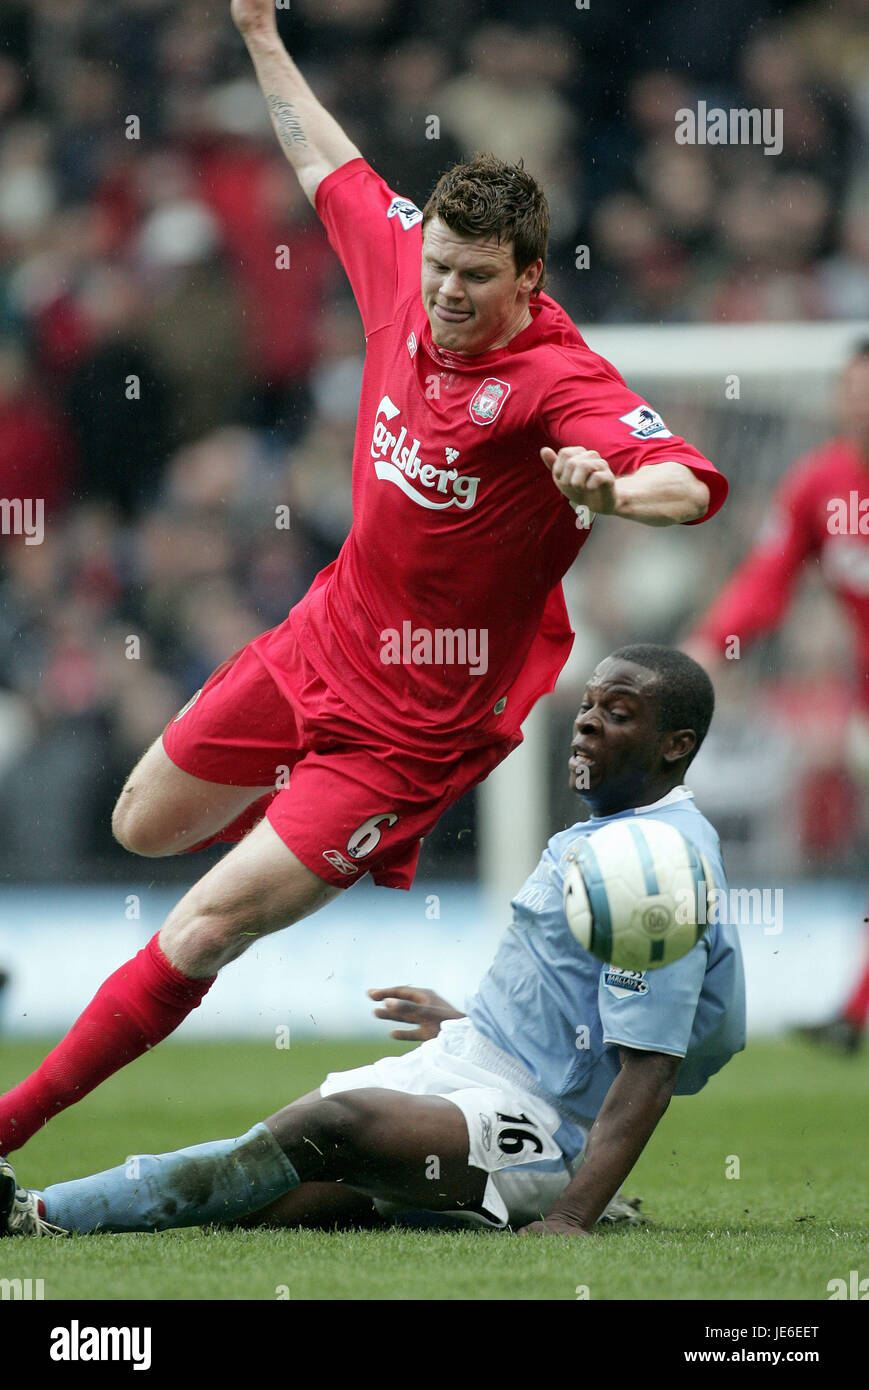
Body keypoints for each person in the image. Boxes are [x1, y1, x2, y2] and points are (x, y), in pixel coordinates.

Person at [0, 3, 726, 1157]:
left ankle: (8, 1128)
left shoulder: (554, 379)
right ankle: (299, 823)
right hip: (318, 641)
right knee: (140, 825)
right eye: (437, 264)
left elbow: (684, 480)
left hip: (410, 730)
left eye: (476, 277)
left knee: (201, 928)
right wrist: (254, 32)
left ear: (530, 277)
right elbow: (322, 154)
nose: (444, 291)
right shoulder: (401, 255)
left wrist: (608, 489)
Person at [1, 647, 745, 1239]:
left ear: (676, 745)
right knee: (265, 1195)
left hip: (541, 1126)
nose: (584, 725)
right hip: (468, 1067)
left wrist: (569, 1217)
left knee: (334, 1125)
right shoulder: (616, 832)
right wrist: (476, 1027)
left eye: (617, 715)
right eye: (586, 707)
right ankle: (48, 1214)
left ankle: (36, 1212)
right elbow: (583, 1001)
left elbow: (650, 1067)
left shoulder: (662, 868)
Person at [685, 341, 869, 1054]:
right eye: (852, 390)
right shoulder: (817, 484)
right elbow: (767, 577)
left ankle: (855, 1012)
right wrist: (710, 642)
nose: (861, 403)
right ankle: (855, 1011)